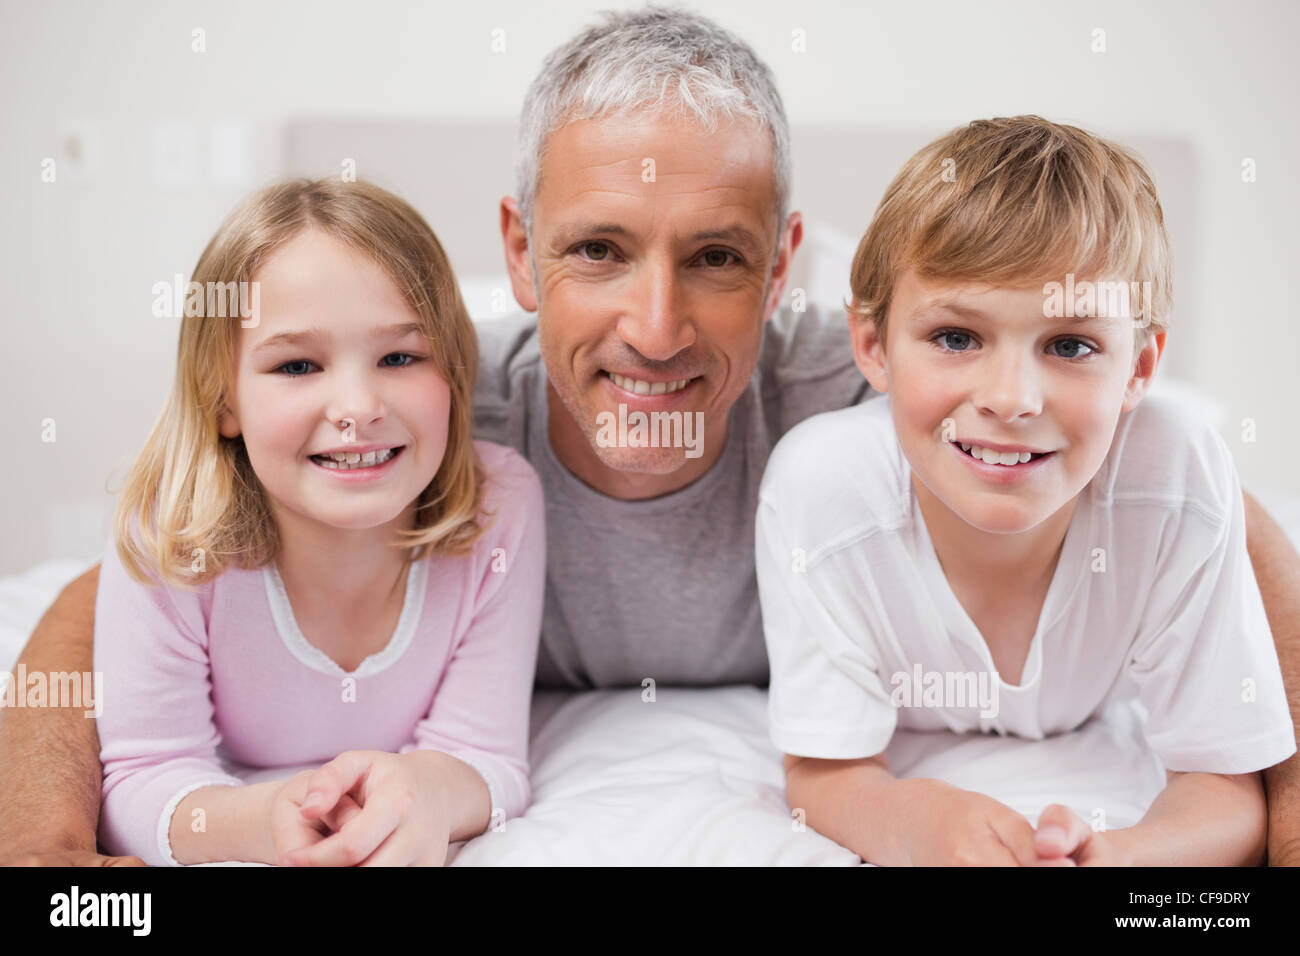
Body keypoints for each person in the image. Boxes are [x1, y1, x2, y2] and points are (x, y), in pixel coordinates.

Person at [2, 7, 1298, 867]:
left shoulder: (894, 383)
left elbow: (1217, 515)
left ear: (788, 263)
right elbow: (125, 577)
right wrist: (50, 862)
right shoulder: (425, 409)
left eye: (719, 258)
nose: (658, 325)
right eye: (598, 253)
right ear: (518, 249)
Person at [757, 116, 1296, 865]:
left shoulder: (1176, 480)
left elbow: (1225, 780)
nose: (1011, 399)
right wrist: (921, 824)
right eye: (956, 338)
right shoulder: (821, 492)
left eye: (1070, 345)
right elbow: (825, 772)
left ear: (1140, 368)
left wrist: (1121, 857)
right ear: (873, 345)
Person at [93, 177, 545, 866]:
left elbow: (486, 757)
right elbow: (141, 776)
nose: (358, 405)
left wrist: (427, 793)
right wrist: (265, 818)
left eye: (400, 357)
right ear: (223, 401)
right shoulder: (166, 534)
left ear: (453, 375)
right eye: (298, 364)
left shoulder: (500, 507)